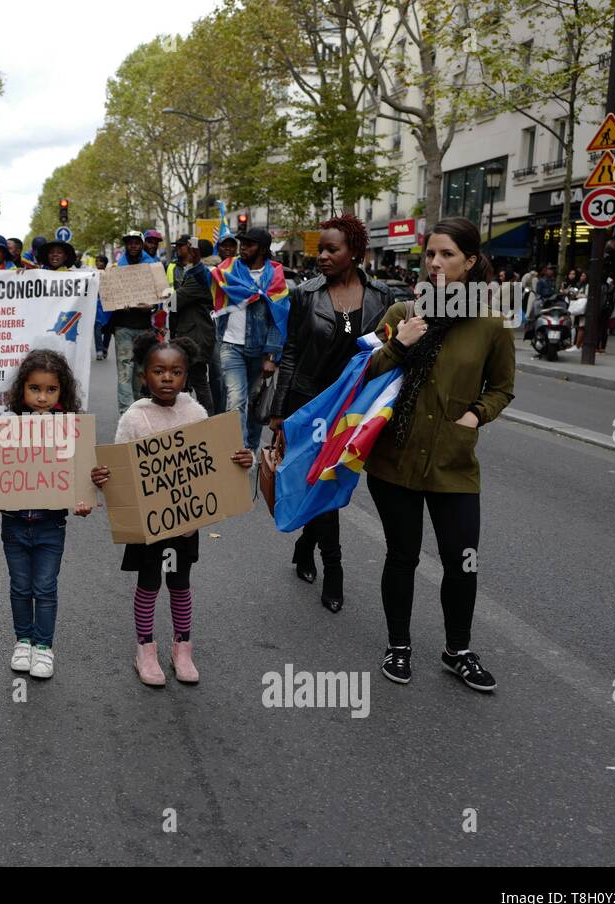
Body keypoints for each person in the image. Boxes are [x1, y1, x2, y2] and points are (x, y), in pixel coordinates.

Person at [364, 217, 514, 692]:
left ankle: (458, 651)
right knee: (402, 556)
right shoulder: (403, 312)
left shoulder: (490, 324)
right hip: (395, 459)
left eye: (447, 254)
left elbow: (503, 387)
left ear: (470, 262)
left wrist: (475, 415)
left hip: (453, 462)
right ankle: (399, 645)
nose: (435, 262)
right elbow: (362, 374)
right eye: (430, 254)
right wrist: (398, 345)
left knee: (462, 558)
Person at [91, 333, 253, 686]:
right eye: (159, 371)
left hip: (185, 525)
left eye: (176, 371)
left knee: (180, 584)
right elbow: (118, 467)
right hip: (149, 528)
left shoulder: (196, 413)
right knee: (148, 585)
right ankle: (145, 649)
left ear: (186, 375)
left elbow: (216, 461)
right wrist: (104, 476)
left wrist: (242, 460)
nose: (167, 378)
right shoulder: (134, 417)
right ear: (143, 376)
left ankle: (182, 647)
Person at [269, 213, 394, 614]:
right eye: (319, 249)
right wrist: (279, 412)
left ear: (355, 253)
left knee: (332, 481)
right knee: (325, 480)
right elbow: (290, 353)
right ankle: (334, 568)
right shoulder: (305, 294)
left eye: (331, 249)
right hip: (312, 404)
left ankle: (306, 545)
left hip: (356, 408)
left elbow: (388, 356)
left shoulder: (384, 297)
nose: (321, 255)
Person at [0, 350, 92, 679]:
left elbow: (81, 472)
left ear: (63, 391)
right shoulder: (6, 425)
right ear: (22, 390)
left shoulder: (69, 427)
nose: (42, 397)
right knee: (19, 586)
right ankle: (23, 641)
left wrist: (83, 497)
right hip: (14, 525)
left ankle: (43, 647)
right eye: (34, 389)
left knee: (44, 587)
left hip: (51, 525)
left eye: (51, 390)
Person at [213, 227, 289, 451]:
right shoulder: (227, 270)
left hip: (261, 351)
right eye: (242, 243)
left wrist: (272, 357)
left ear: (264, 249)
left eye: (250, 244)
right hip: (230, 345)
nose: (243, 247)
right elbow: (206, 282)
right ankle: (237, 451)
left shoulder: (275, 277)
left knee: (256, 403)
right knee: (235, 400)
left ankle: (252, 449)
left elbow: (279, 319)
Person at [109, 230, 158, 413]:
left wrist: (152, 307)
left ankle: (137, 410)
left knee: (140, 372)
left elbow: (161, 297)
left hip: (145, 328)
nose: (133, 246)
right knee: (124, 372)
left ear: (141, 244)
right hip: (123, 326)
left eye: (136, 243)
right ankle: (125, 413)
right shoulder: (116, 269)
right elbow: (109, 295)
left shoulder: (153, 267)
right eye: (129, 243)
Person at [167, 235, 216, 414]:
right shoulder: (191, 273)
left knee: (198, 382)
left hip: (196, 337)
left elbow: (174, 302)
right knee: (190, 381)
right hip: (191, 334)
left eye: (185, 247)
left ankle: (207, 422)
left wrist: (163, 296)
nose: (180, 250)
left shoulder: (198, 277)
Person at [94, 254, 111, 360]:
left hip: (109, 307)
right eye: (96, 261)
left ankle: (105, 348)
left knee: (108, 330)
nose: (97, 263)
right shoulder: (93, 275)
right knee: (97, 328)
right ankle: (99, 350)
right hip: (97, 307)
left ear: (105, 263)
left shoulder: (110, 275)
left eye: (99, 261)